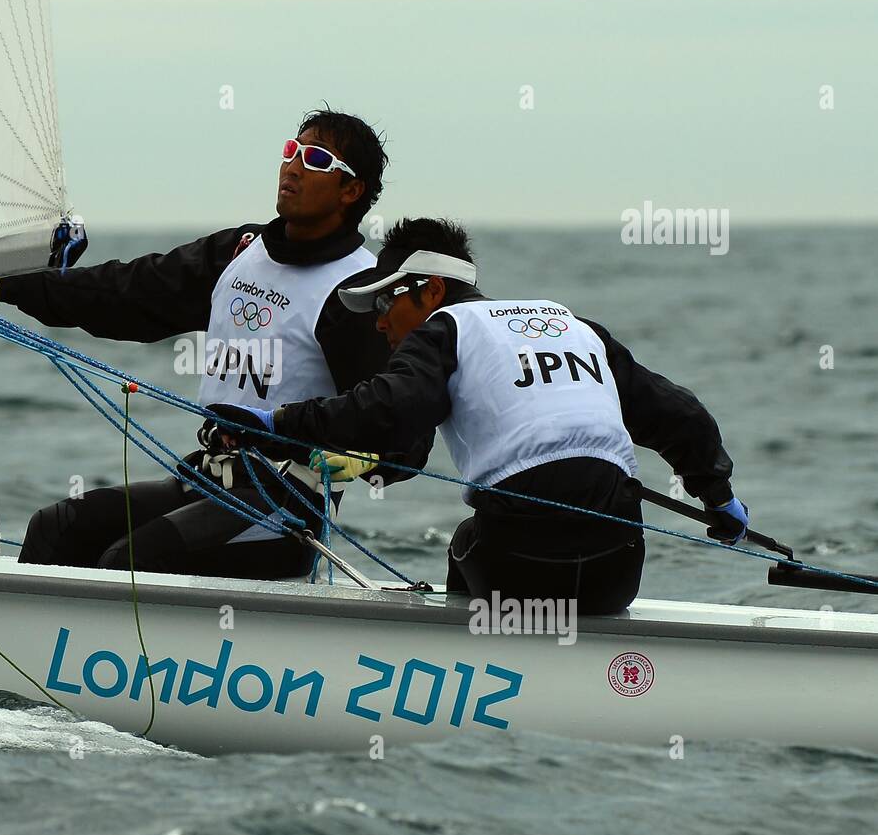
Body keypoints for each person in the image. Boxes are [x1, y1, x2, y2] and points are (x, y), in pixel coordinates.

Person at [207, 217, 748, 614]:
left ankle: (459, 683)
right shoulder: (574, 326)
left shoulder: (445, 330)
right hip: (617, 570)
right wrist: (718, 498)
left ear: (432, 290)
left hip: (517, 569)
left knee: (467, 537)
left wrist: (273, 424)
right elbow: (683, 416)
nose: (378, 324)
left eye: (383, 303)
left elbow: (386, 411)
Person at [0, 108, 430, 577]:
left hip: (285, 507)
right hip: (207, 480)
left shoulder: (355, 292)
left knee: (131, 559)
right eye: (291, 151)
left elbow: (404, 418)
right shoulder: (239, 252)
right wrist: (6, 285)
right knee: (58, 527)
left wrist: (365, 459)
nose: (293, 166)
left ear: (351, 190)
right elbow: (128, 293)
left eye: (316, 159)